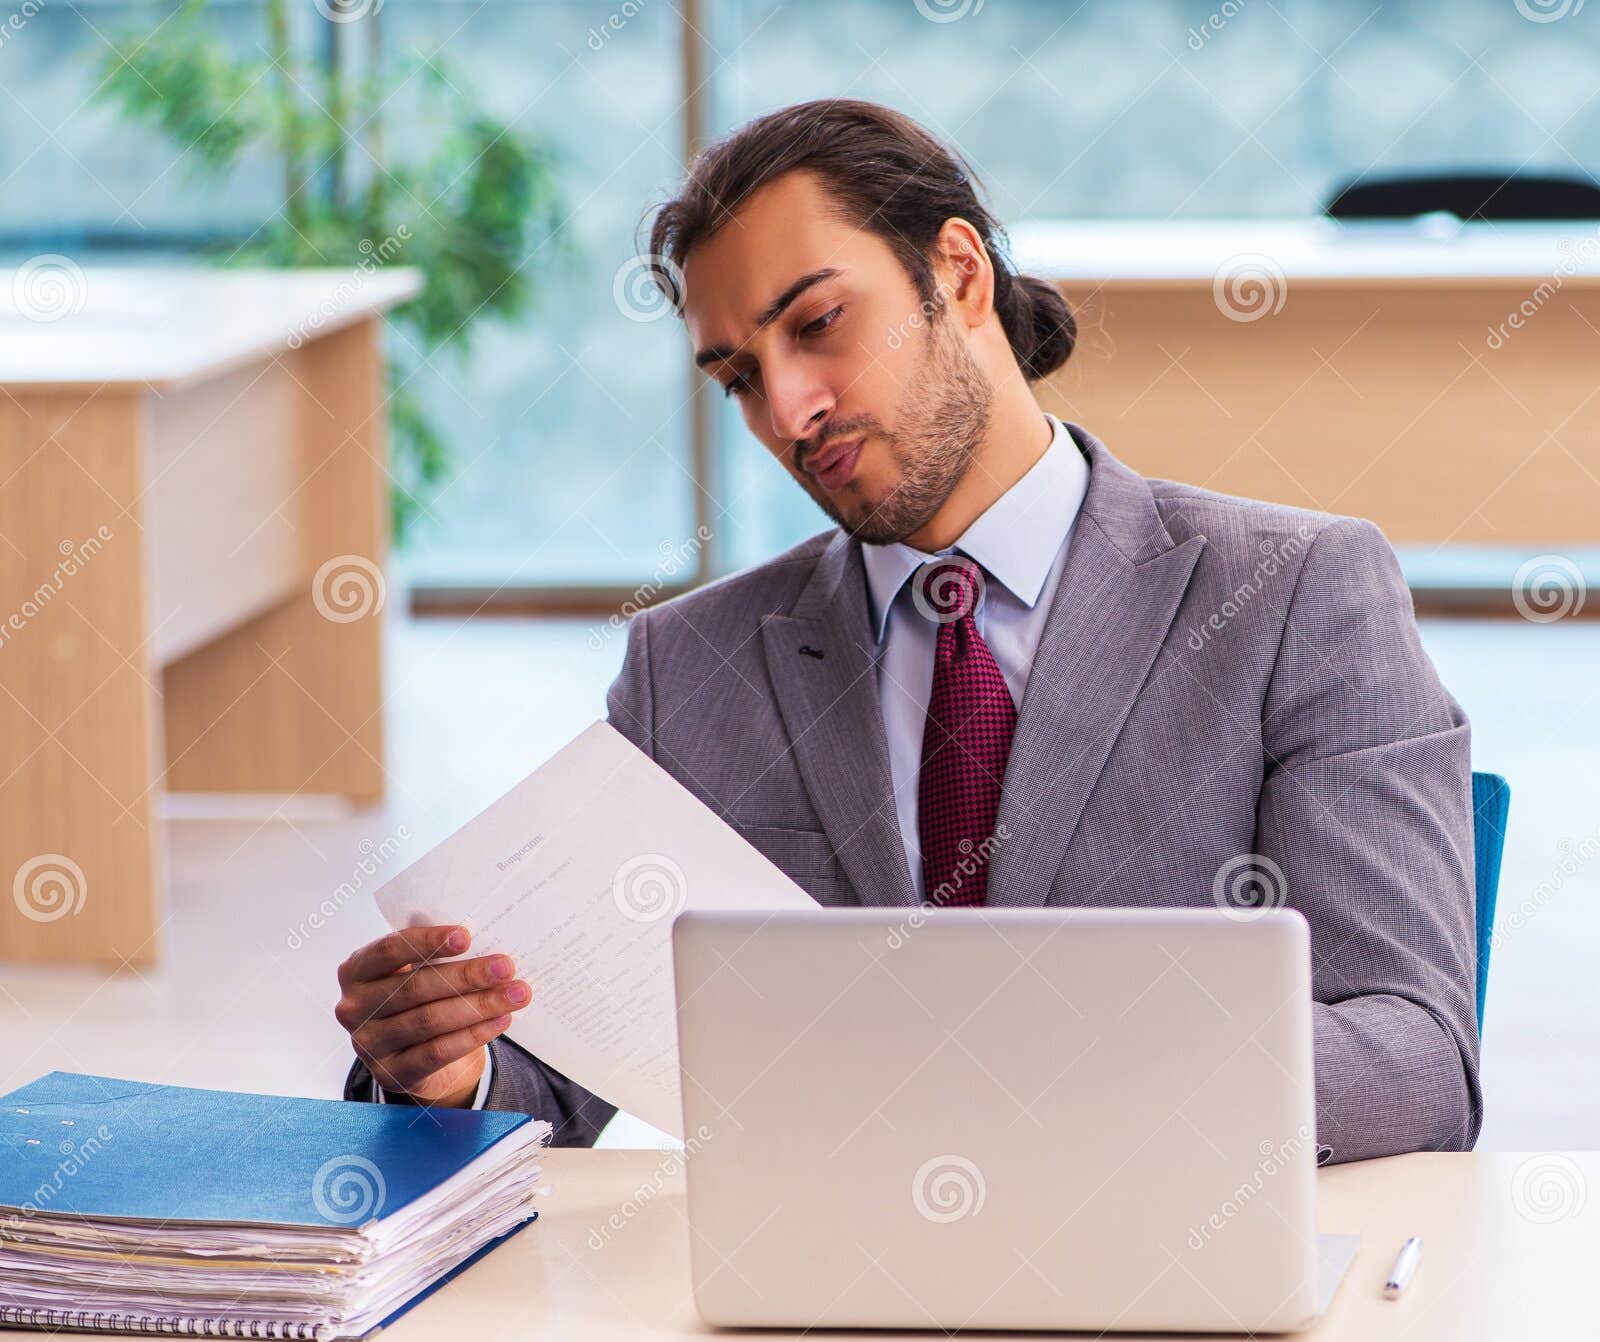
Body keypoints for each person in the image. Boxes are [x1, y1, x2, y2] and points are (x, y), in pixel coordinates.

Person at [336, 99, 1481, 1163]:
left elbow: (1416, 1058)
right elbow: (561, 1084)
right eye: (738, 376)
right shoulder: (689, 666)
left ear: (960, 274)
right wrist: (452, 1062)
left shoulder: (1292, 594)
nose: (788, 411)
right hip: (825, 1316)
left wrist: (1029, 1082)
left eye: (820, 324)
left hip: (1170, 1294)